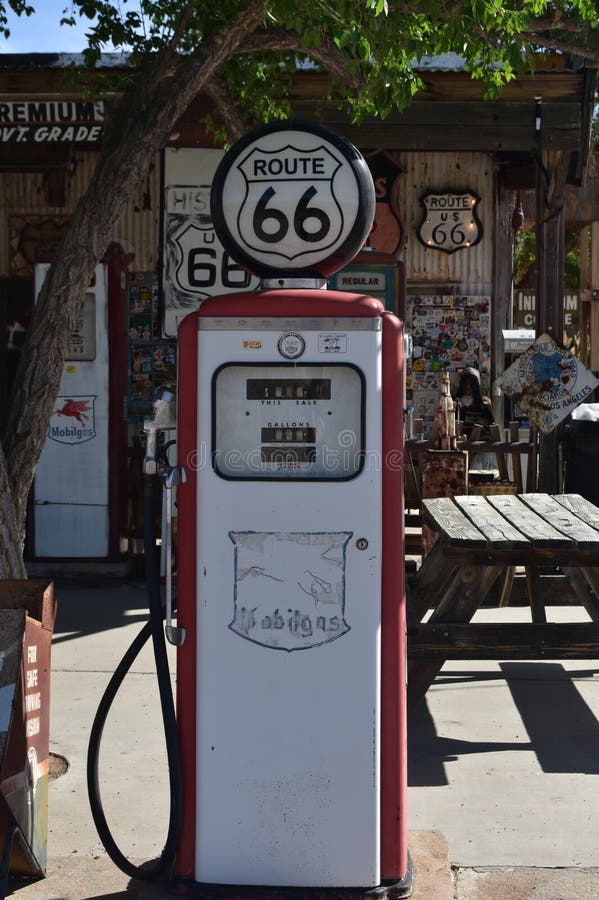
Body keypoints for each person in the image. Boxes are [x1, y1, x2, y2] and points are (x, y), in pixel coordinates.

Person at [455, 367, 494, 440]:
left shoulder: (484, 406)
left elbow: (490, 429)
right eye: (465, 383)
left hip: (479, 446)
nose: (468, 387)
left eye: (471, 384)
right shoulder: (456, 405)